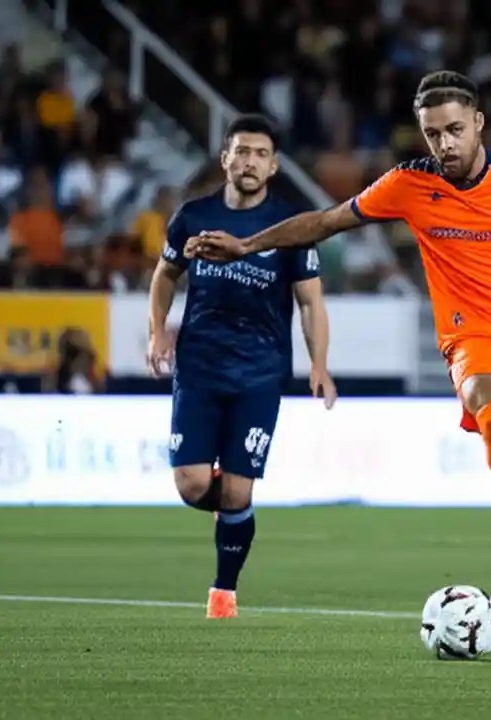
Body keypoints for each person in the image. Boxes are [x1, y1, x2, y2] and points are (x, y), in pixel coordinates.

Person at [188, 72, 491, 662]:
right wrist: (246, 244)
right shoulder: (409, 184)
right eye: (432, 132)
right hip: (475, 340)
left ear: (479, 125)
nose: (445, 143)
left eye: (455, 130)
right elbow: (326, 220)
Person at [146, 114, 337, 621]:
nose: (249, 161)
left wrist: (319, 364)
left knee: (235, 488)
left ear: (273, 166)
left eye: (260, 154)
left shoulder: (289, 228)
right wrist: (157, 329)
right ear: (225, 159)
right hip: (200, 367)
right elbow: (165, 275)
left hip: (259, 372)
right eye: (241, 151)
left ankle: (223, 592)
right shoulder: (193, 216)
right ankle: (236, 513)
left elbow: (311, 303)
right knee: (191, 485)